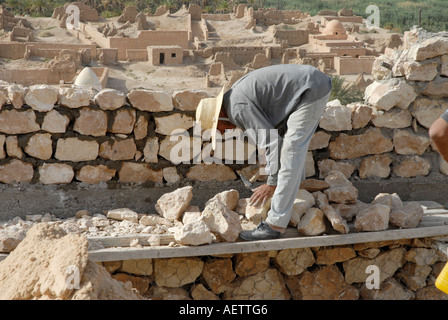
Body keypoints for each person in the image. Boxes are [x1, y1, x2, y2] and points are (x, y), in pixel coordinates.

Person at [196, 64, 332, 241]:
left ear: (219, 115)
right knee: (288, 148)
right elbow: (274, 134)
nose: (221, 132)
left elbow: (272, 142)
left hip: (310, 89)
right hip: (310, 83)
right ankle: (298, 196)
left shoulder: (237, 109)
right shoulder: (235, 99)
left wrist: (271, 183)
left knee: (292, 150)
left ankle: (275, 225)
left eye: (217, 128)